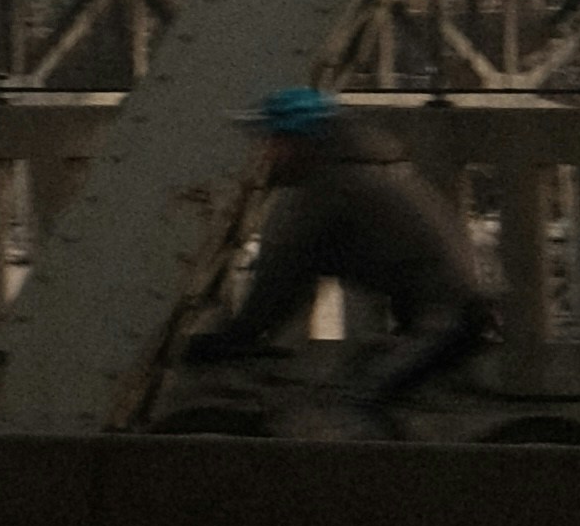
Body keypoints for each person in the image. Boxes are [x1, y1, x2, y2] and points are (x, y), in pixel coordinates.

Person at [181, 86, 496, 426]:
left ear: (301, 141)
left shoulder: (330, 189)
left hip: (443, 323)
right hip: (454, 314)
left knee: (347, 408)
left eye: (275, 142)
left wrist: (228, 338)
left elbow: (281, 279)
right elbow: (294, 281)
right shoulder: (367, 167)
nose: (267, 154)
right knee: (355, 388)